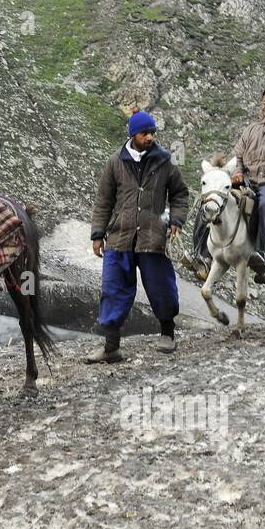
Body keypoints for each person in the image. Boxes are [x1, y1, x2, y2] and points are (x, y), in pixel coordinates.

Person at [89, 111, 190, 362]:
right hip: (119, 237)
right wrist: (98, 234)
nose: (150, 137)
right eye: (145, 133)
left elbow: (180, 193)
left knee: (161, 287)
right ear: (132, 134)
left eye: (152, 132)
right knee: (114, 289)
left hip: (152, 236)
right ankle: (111, 348)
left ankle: (167, 334)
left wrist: (176, 220)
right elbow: (103, 200)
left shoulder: (165, 161)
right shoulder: (115, 162)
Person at [192, 87, 265, 283]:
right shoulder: (252, 129)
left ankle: (262, 254)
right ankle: (201, 255)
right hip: (249, 179)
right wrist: (237, 173)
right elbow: (239, 156)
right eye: (264, 101)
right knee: (214, 197)